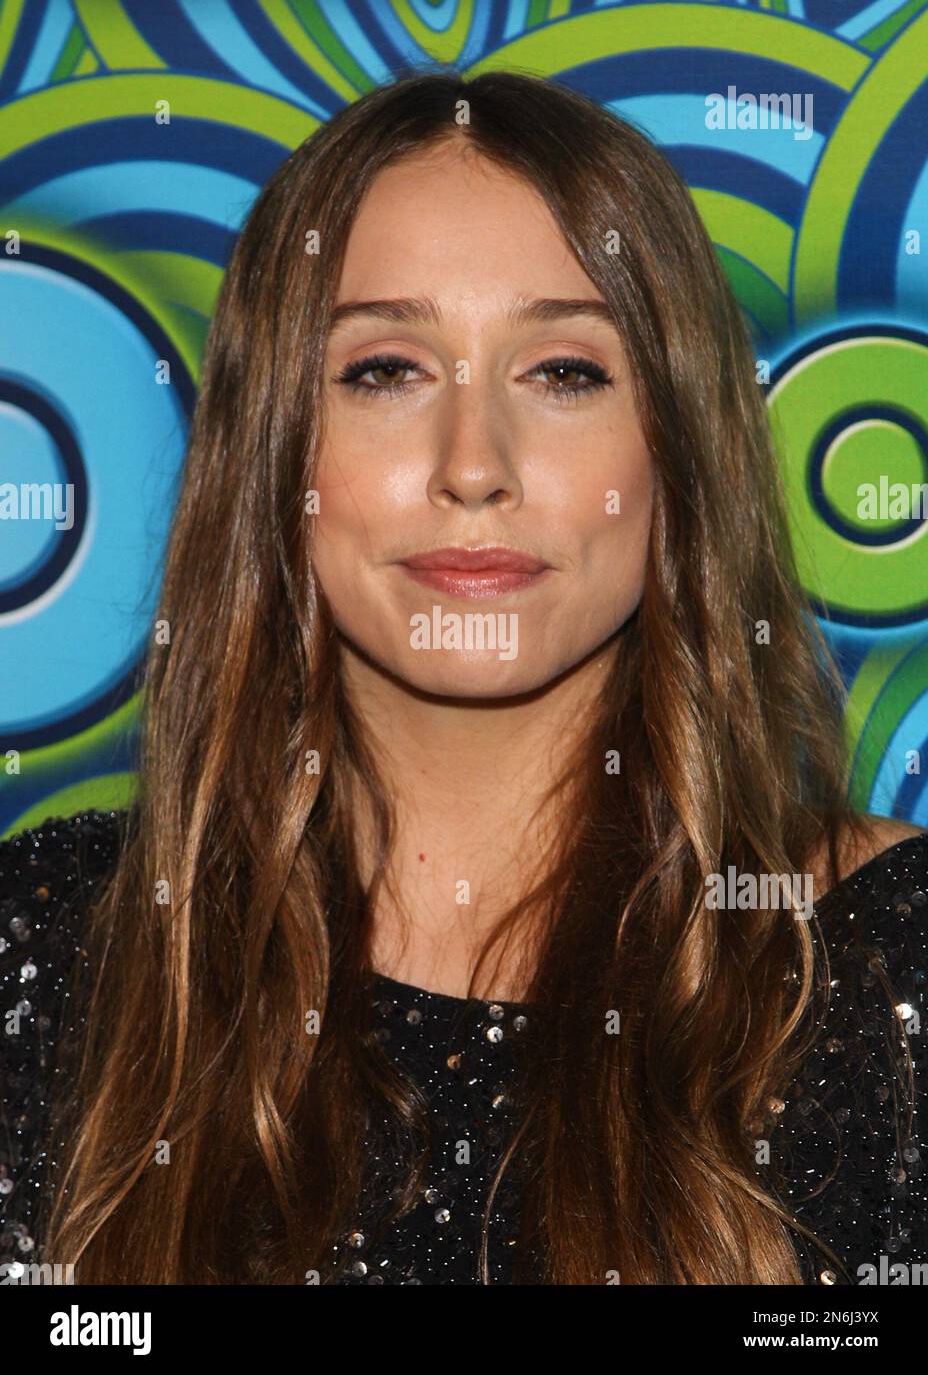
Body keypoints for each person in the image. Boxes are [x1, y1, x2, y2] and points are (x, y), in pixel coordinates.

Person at [1, 69, 925, 1287]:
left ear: (677, 448)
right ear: (277, 449)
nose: (472, 465)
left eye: (563, 371)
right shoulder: (53, 952)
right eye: (386, 369)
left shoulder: (883, 967)